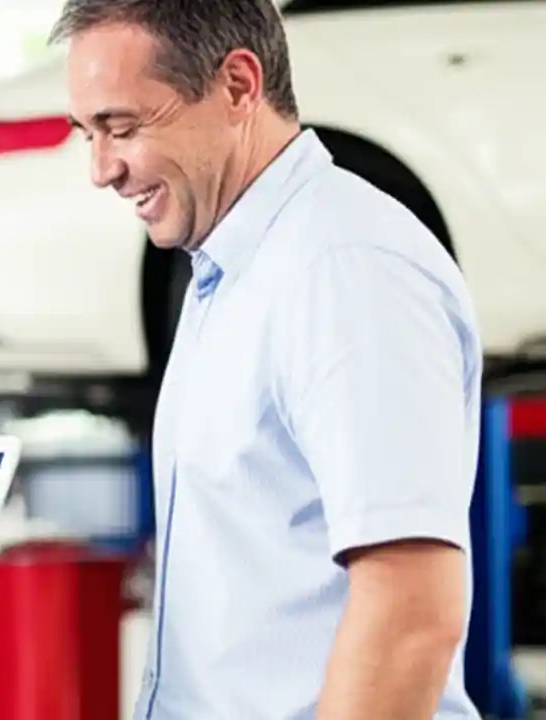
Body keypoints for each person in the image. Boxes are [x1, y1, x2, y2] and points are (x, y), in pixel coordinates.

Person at [50, 1, 482, 718]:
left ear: (239, 87)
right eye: (87, 133)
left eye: (122, 127)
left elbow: (411, 614)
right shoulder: (231, 270)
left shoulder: (344, 268)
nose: (102, 169)